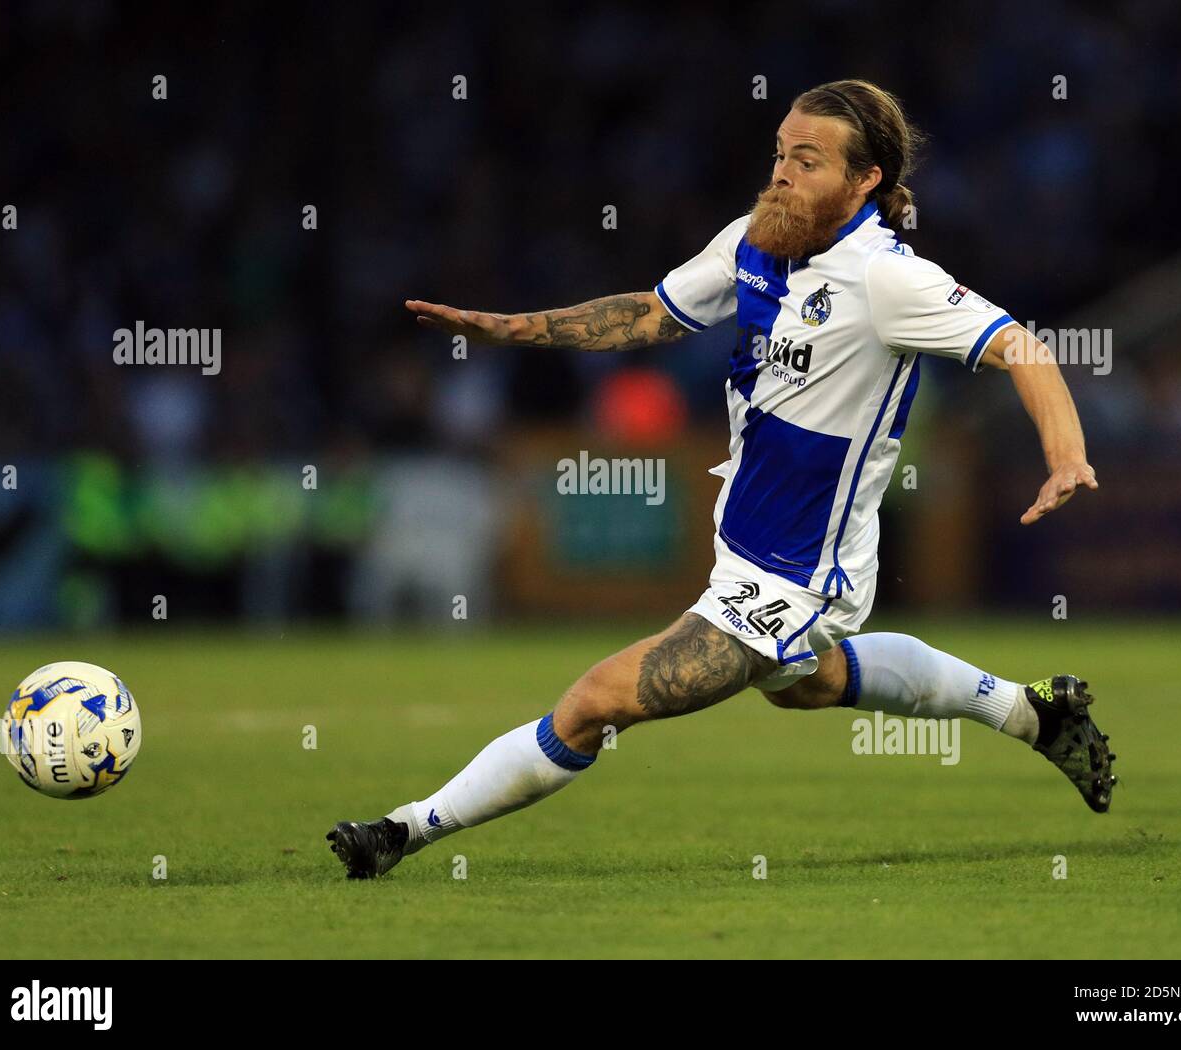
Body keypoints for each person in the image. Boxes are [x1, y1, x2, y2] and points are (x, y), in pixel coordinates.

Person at [328, 78, 1115, 879]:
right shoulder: (755, 242)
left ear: (865, 179)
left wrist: (1066, 455)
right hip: (743, 545)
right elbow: (649, 313)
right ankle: (1031, 712)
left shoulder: (889, 279)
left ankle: (401, 831)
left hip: (803, 570)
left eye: (807, 162)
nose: (782, 174)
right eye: (780, 154)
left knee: (599, 700)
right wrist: (509, 329)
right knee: (807, 683)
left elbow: (1021, 345)